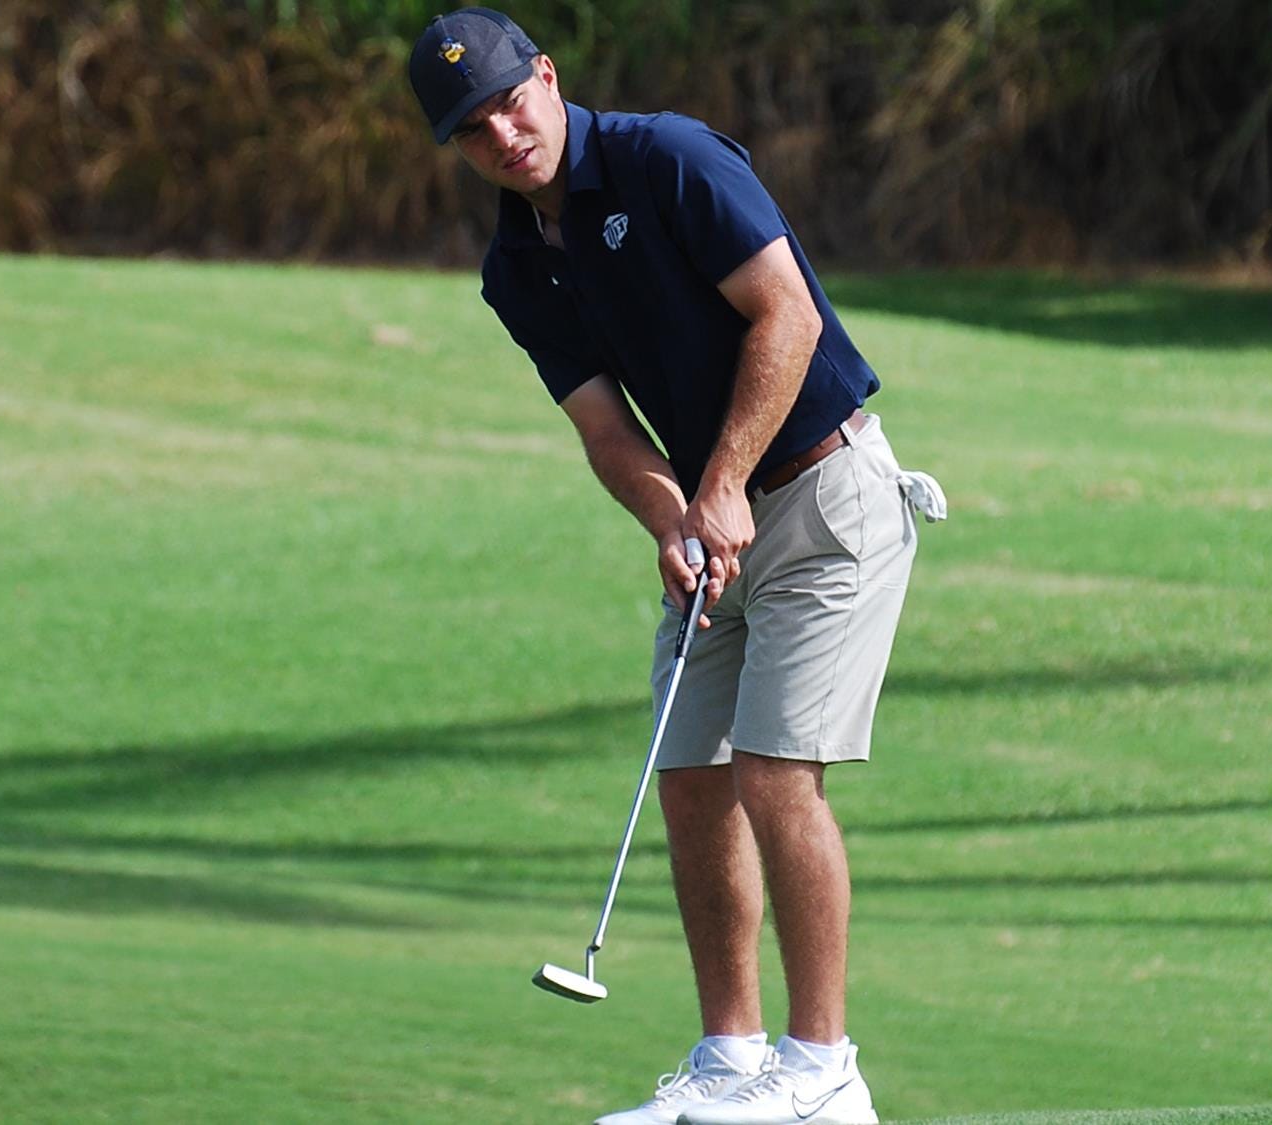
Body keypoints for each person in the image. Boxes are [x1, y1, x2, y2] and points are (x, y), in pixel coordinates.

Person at [408, 10, 944, 1125]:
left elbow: (784, 316)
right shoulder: (516, 264)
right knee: (692, 775)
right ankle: (730, 1062)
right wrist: (674, 519)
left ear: (547, 79)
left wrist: (720, 488)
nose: (505, 133)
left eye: (512, 101)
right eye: (473, 127)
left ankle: (822, 1070)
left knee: (772, 773)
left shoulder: (669, 159)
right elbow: (607, 435)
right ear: (456, 148)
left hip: (826, 495)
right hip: (719, 516)